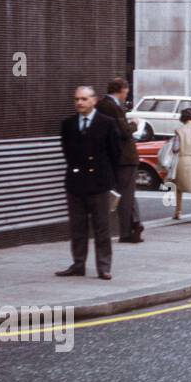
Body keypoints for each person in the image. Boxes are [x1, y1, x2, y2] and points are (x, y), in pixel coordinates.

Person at [57, 85, 123, 280]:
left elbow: (115, 153)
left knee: (101, 227)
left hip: (99, 184)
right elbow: (67, 153)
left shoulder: (107, 123)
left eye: (84, 99)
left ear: (94, 101)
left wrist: (109, 180)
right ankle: (78, 264)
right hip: (76, 183)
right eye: (77, 99)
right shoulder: (68, 124)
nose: (79, 102)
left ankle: (104, 267)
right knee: (77, 227)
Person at [97, 77, 143, 243]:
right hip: (125, 157)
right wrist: (135, 124)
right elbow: (123, 132)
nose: (127, 94)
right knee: (126, 194)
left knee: (126, 193)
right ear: (122, 90)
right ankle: (129, 230)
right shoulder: (113, 107)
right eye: (126, 91)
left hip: (116, 157)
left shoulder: (103, 105)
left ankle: (135, 224)